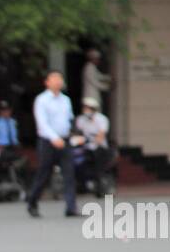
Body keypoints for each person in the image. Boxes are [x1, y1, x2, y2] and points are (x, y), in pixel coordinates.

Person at [25, 70, 78, 217]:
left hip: (64, 140)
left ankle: (71, 207)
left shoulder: (66, 100)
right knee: (44, 173)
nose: (58, 81)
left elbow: (70, 119)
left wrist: (73, 135)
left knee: (69, 173)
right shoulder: (42, 100)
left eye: (60, 78)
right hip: (48, 141)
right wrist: (54, 138)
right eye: (54, 78)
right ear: (47, 82)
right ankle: (32, 202)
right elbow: (42, 123)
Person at [75, 95, 110, 184]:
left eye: (89, 108)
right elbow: (77, 132)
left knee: (99, 167)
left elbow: (101, 134)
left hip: (99, 147)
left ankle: (101, 185)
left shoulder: (101, 119)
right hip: (85, 147)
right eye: (85, 107)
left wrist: (95, 141)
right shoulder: (81, 119)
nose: (86, 110)